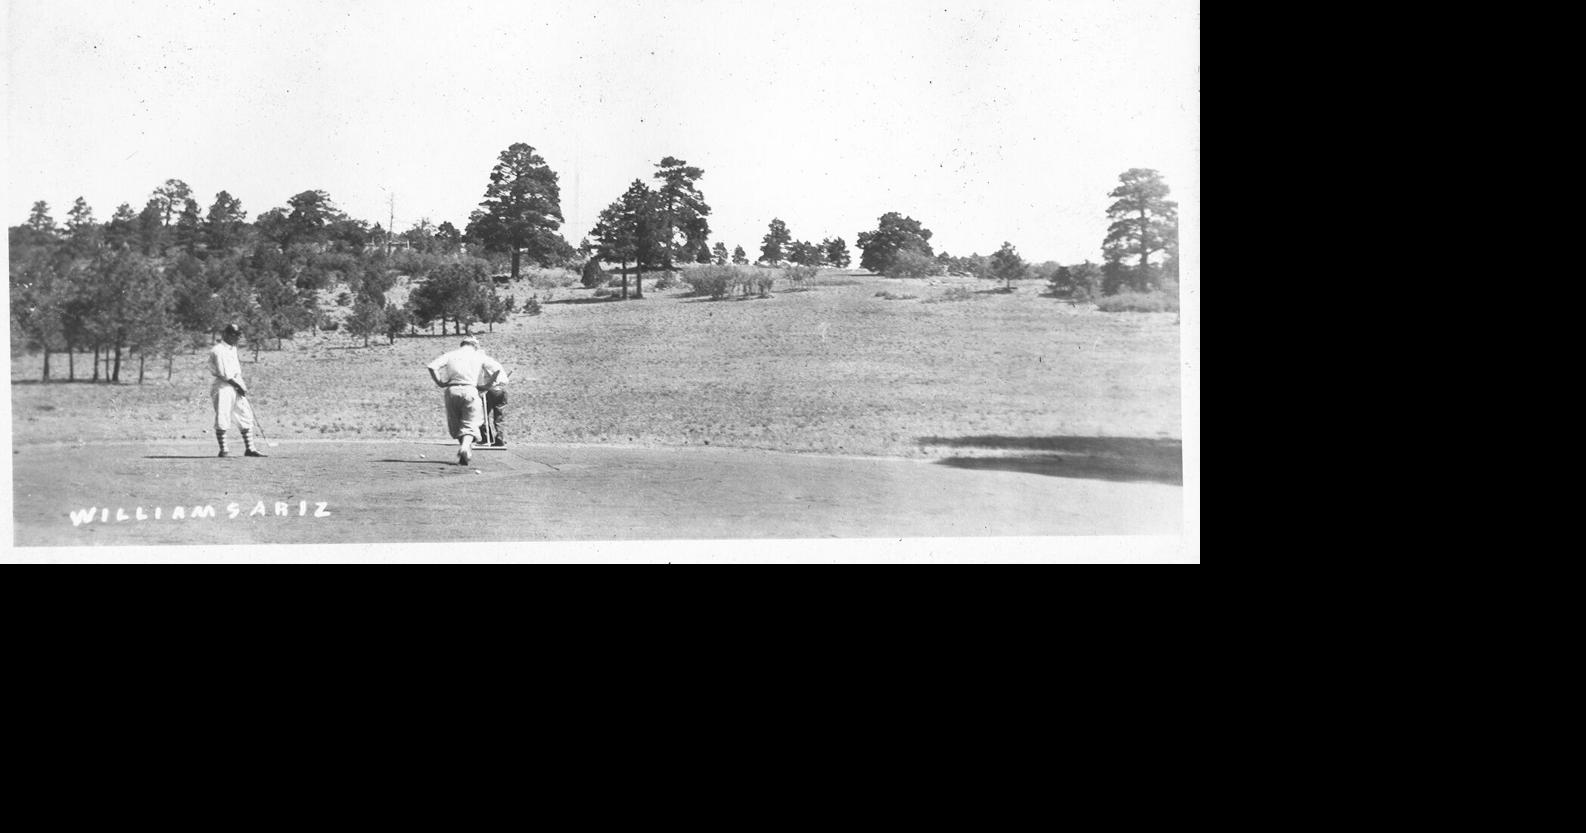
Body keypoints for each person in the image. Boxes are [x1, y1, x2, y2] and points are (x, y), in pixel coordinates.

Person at [426, 335, 504, 466]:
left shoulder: (451, 354)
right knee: (471, 423)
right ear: (475, 346)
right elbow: (497, 369)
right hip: (470, 390)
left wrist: (440, 382)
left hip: (452, 391)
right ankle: (465, 447)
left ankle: (466, 452)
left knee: (456, 423)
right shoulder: (478, 356)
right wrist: (487, 385)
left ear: (462, 344)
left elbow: (432, 366)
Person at [208, 323, 266, 458]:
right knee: (223, 416)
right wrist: (237, 385)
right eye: (235, 335)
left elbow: (236, 371)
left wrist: (242, 385)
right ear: (226, 335)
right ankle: (224, 450)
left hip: (235, 384)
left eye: (239, 335)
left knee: (245, 414)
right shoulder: (218, 350)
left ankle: (250, 449)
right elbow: (223, 373)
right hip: (222, 387)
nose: (238, 338)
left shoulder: (233, 349)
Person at [479, 365, 511, 447]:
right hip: (502, 390)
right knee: (499, 416)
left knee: (482, 415)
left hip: (491, 391)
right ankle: (500, 438)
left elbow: (494, 376)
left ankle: (486, 438)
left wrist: (485, 388)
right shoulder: (495, 365)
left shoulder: (487, 366)